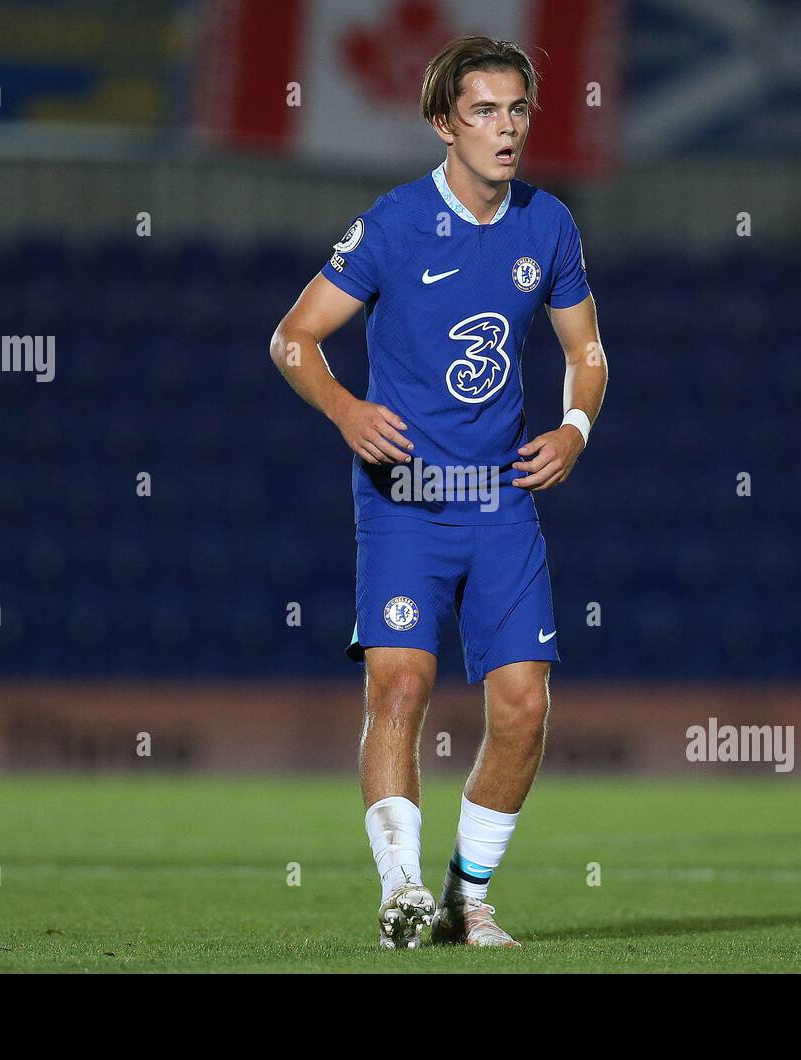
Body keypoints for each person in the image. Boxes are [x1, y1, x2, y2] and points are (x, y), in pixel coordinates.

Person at [269, 35, 608, 949]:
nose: (506, 130)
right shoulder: (392, 225)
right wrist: (345, 410)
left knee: (525, 706)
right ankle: (401, 892)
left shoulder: (549, 226)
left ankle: (467, 897)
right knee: (401, 684)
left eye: (518, 110)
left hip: (501, 499)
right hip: (405, 498)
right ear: (441, 124)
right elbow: (294, 338)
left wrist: (574, 429)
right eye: (483, 112)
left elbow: (587, 353)